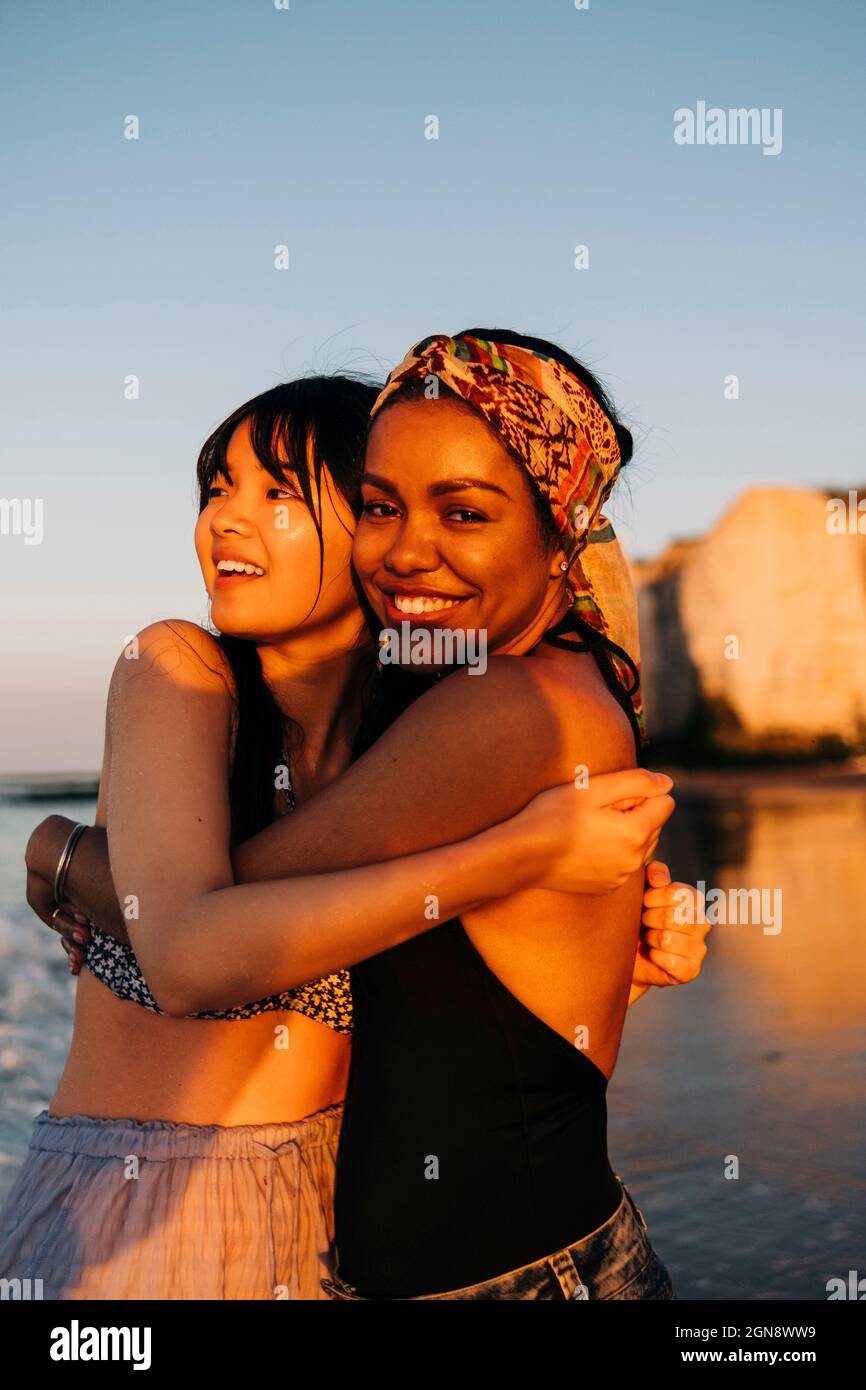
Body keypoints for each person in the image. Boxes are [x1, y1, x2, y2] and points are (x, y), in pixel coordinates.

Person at [9, 371, 703, 1301]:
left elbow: (457, 1005)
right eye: (218, 489)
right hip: (146, 1218)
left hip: (329, 1225)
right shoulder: (178, 673)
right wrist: (58, 852)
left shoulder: (418, 741)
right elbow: (188, 942)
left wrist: (630, 946)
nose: (224, 521)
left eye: (280, 493)